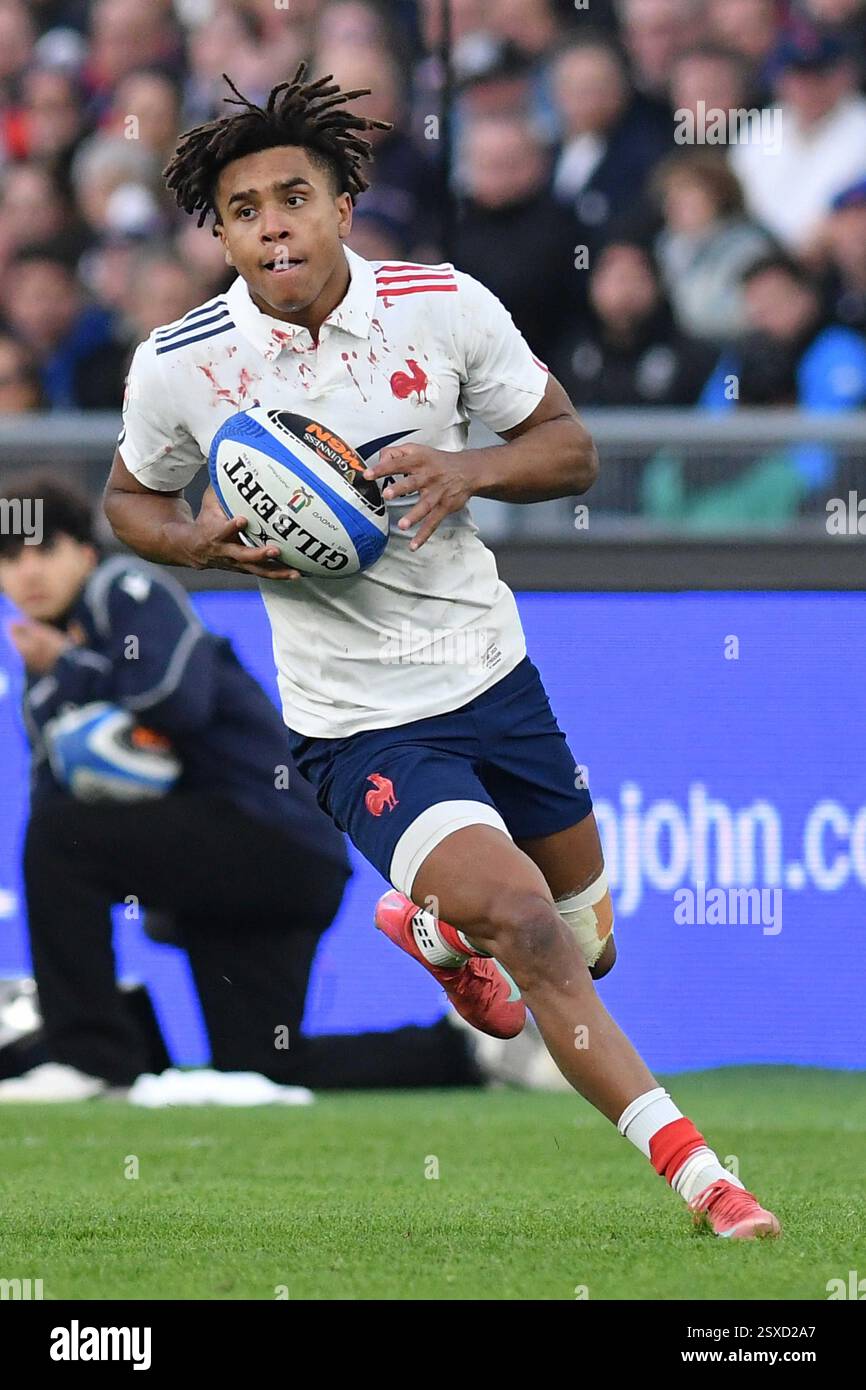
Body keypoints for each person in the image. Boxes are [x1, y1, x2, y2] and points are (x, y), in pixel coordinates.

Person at [103, 66, 780, 1238]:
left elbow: (567, 450)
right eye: (245, 208)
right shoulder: (182, 362)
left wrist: (465, 468)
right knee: (523, 925)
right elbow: (125, 499)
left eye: (293, 196)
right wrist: (198, 543)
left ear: (340, 205)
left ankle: (428, 928)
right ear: (218, 232)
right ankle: (707, 1182)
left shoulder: (441, 303)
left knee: (586, 946)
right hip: (356, 719)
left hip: (490, 673)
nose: (272, 223)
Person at [0, 475, 492, 1100]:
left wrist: (67, 668)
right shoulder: (44, 677)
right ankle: (467, 1054)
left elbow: (174, 702)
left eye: (44, 549)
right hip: (242, 874)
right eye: (9, 559)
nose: (28, 571)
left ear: (86, 551)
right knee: (262, 1068)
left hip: (272, 839)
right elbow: (60, 792)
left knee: (57, 838)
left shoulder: (126, 590)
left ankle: (92, 1058)